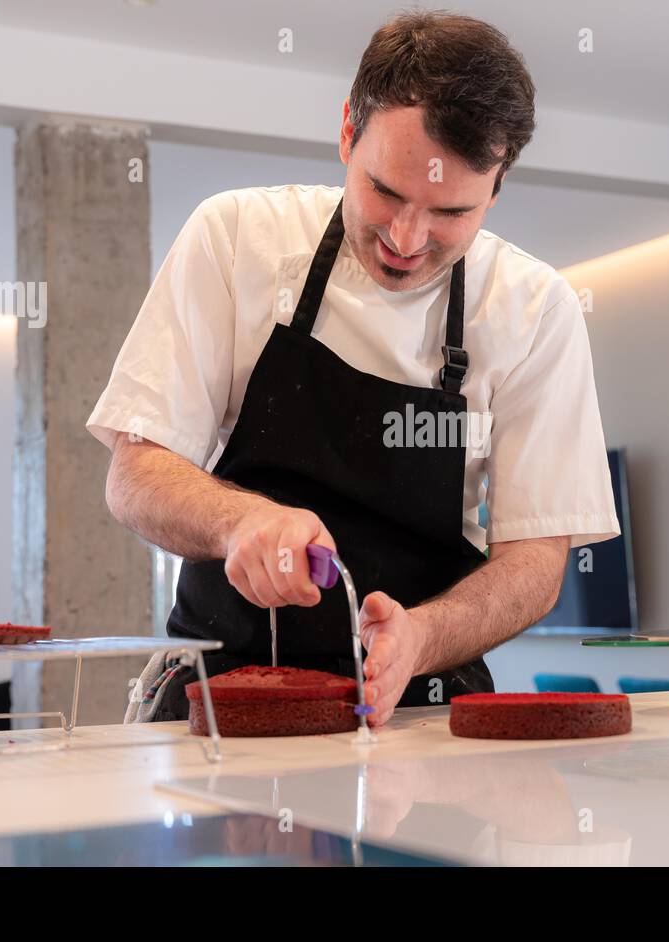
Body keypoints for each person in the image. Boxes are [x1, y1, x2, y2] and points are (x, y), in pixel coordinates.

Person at [88, 12, 619, 726]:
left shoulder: (534, 310)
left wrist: (421, 638)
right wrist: (239, 521)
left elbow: (536, 561)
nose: (407, 239)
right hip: (223, 706)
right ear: (347, 130)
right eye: (387, 193)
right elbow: (134, 473)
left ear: (496, 190)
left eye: (450, 213)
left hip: (425, 710)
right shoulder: (236, 238)